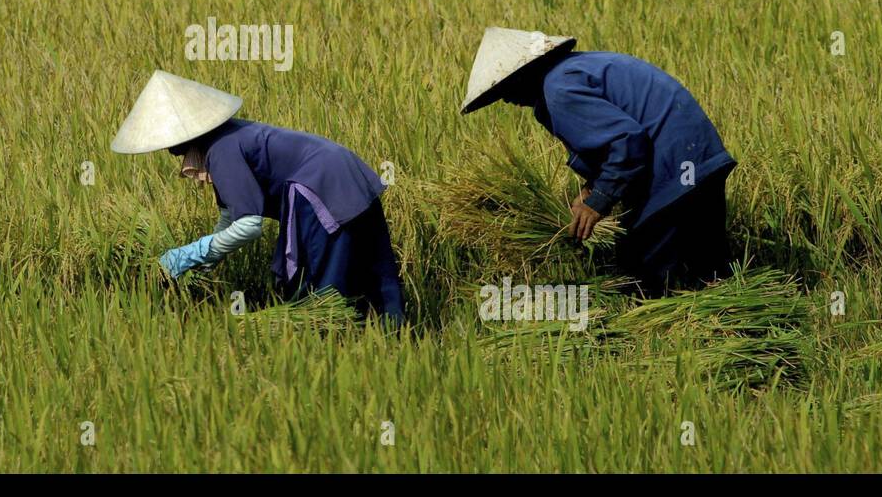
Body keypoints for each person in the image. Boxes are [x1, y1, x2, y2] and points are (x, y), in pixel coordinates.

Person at [111, 70, 404, 322]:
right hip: (351, 174)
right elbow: (231, 214)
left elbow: (249, 225)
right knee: (376, 275)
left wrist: (190, 254)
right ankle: (394, 339)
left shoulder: (221, 150)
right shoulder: (232, 134)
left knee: (316, 286)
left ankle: (329, 350)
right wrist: (206, 261)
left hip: (316, 189)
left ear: (186, 139)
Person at [460, 28, 736, 293]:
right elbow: (613, 141)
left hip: (676, 171)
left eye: (505, 90)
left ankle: (663, 329)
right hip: (700, 161)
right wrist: (592, 187)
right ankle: (733, 326)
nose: (507, 101)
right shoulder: (576, 69)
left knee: (644, 274)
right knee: (709, 270)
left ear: (523, 74)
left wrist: (599, 201)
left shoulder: (560, 88)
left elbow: (627, 141)